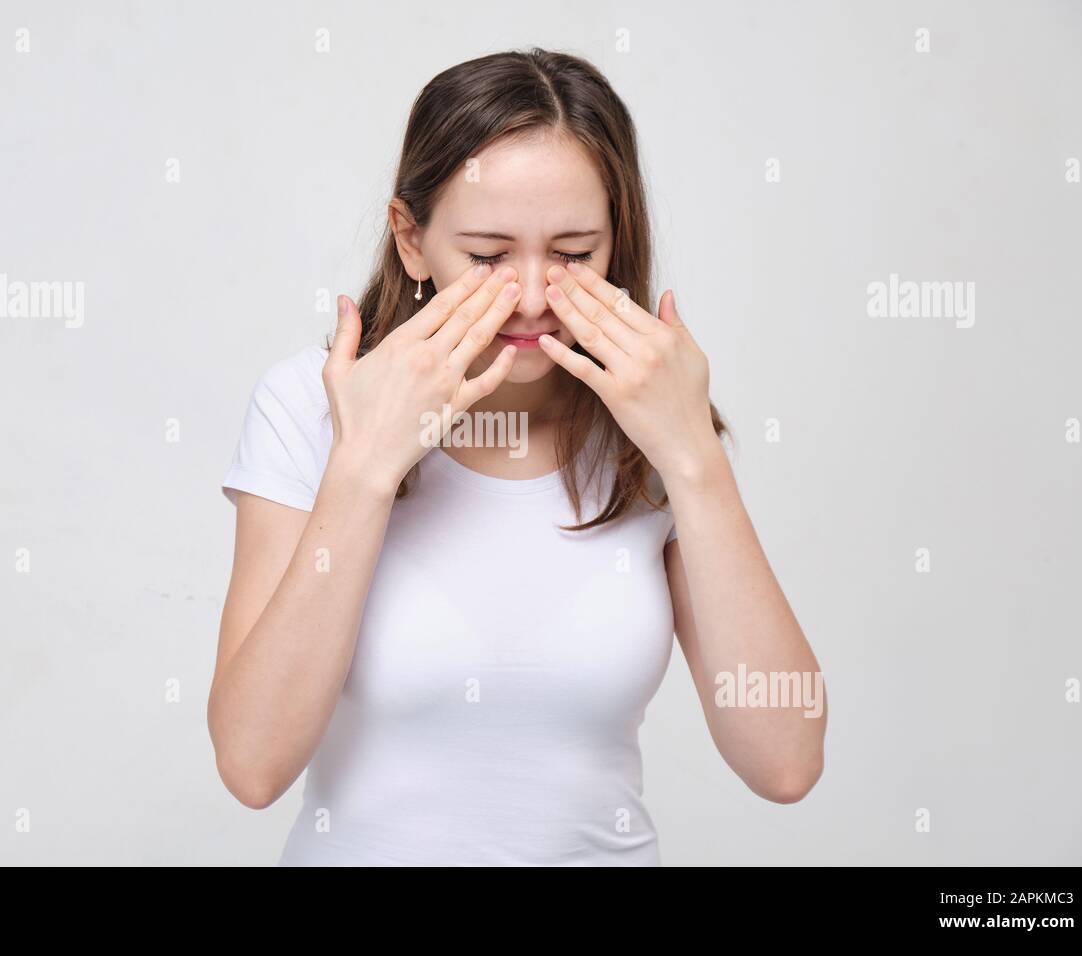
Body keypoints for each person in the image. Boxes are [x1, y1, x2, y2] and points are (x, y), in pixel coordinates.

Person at [207, 48, 826, 866]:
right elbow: (252, 764)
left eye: (574, 252)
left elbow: (785, 762)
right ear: (412, 240)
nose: (533, 297)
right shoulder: (308, 407)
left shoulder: (654, 428)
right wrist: (362, 470)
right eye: (490, 255)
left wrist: (695, 461)